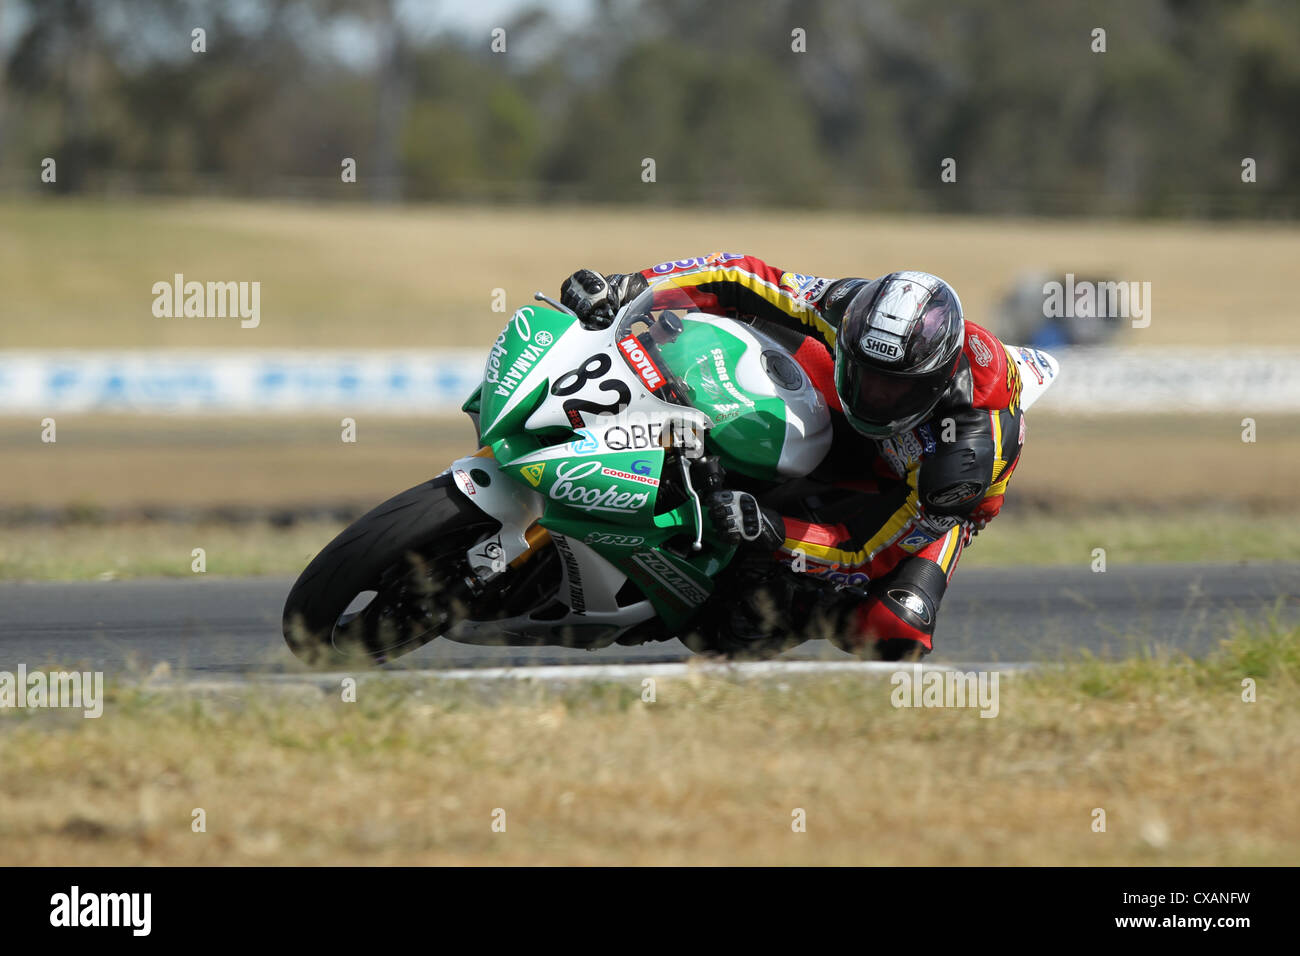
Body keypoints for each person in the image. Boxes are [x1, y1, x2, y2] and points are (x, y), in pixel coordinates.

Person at [560, 254, 1025, 660]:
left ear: (933, 384)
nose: (873, 396)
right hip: (859, 421)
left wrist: (772, 529)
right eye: (864, 374)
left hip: (921, 498)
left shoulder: (961, 461)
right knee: (755, 321)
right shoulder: (850, 310)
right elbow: (743, 277)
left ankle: (799, 609)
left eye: (892, 388)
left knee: (894, 627)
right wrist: (634, 287)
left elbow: (861, 551)